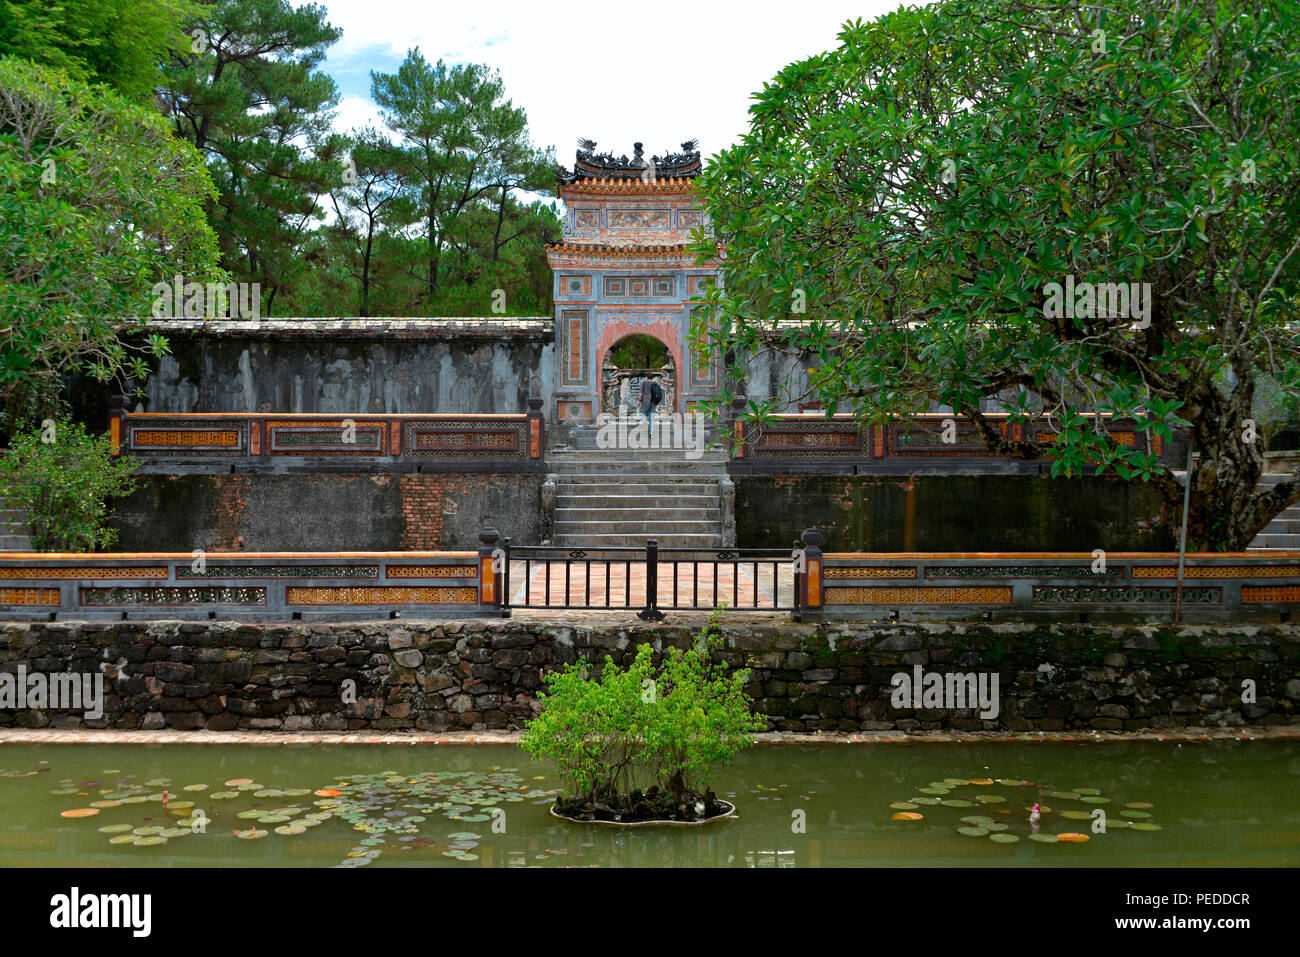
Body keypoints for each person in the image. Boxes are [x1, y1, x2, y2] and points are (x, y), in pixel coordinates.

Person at [638, 372, 664, 436]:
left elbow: (641, 392)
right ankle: (651, 434)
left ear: (647, 377)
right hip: (653, 402)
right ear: (652, 378)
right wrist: (657, 402)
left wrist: (639, 400)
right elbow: (659, 393)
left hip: (645, 402)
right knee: (652, 419)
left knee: (644, 414)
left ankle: (645, 424)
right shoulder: (655, 384)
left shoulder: (644, 383)